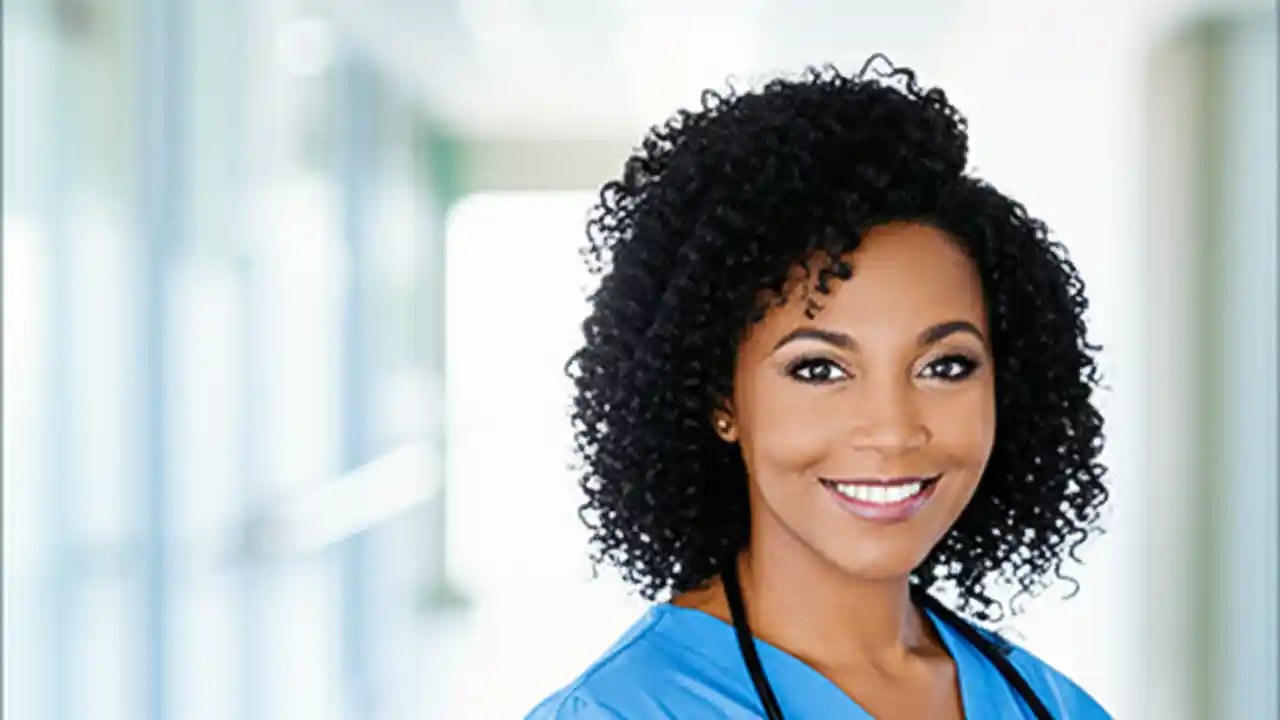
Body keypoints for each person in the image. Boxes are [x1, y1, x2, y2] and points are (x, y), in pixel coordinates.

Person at [526, 57, 1111, 719]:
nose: (892, 430)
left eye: (945, 366)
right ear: (721, 397)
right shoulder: (622, 712)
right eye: (819, 369)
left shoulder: (1050, 705)